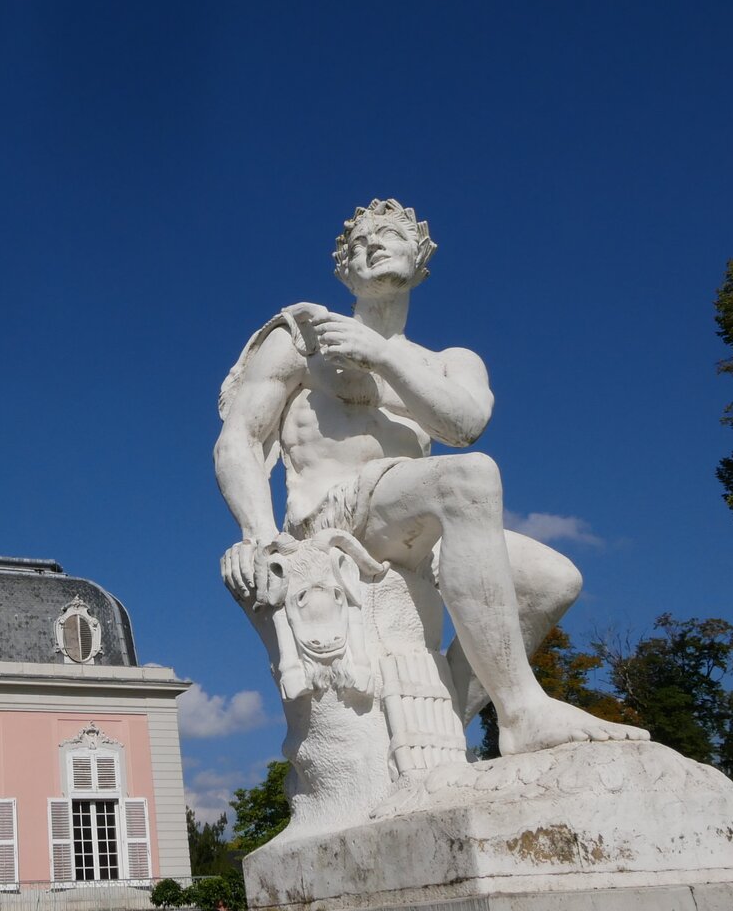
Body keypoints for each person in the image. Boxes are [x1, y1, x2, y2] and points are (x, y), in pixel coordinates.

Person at [215, 200, 646, 755]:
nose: (372, 245)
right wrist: (257, 532)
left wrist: (382, 356)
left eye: (390, 235)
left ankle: (444, 714)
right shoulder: (304, 336)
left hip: (412, 516)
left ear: (420, 260)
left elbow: (465, 425)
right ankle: (522, 710)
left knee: (551, 581)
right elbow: (240, 437)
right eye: (357, 244)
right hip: (333, 511)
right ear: (343, 268)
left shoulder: (451, 361)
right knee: (470, 480)